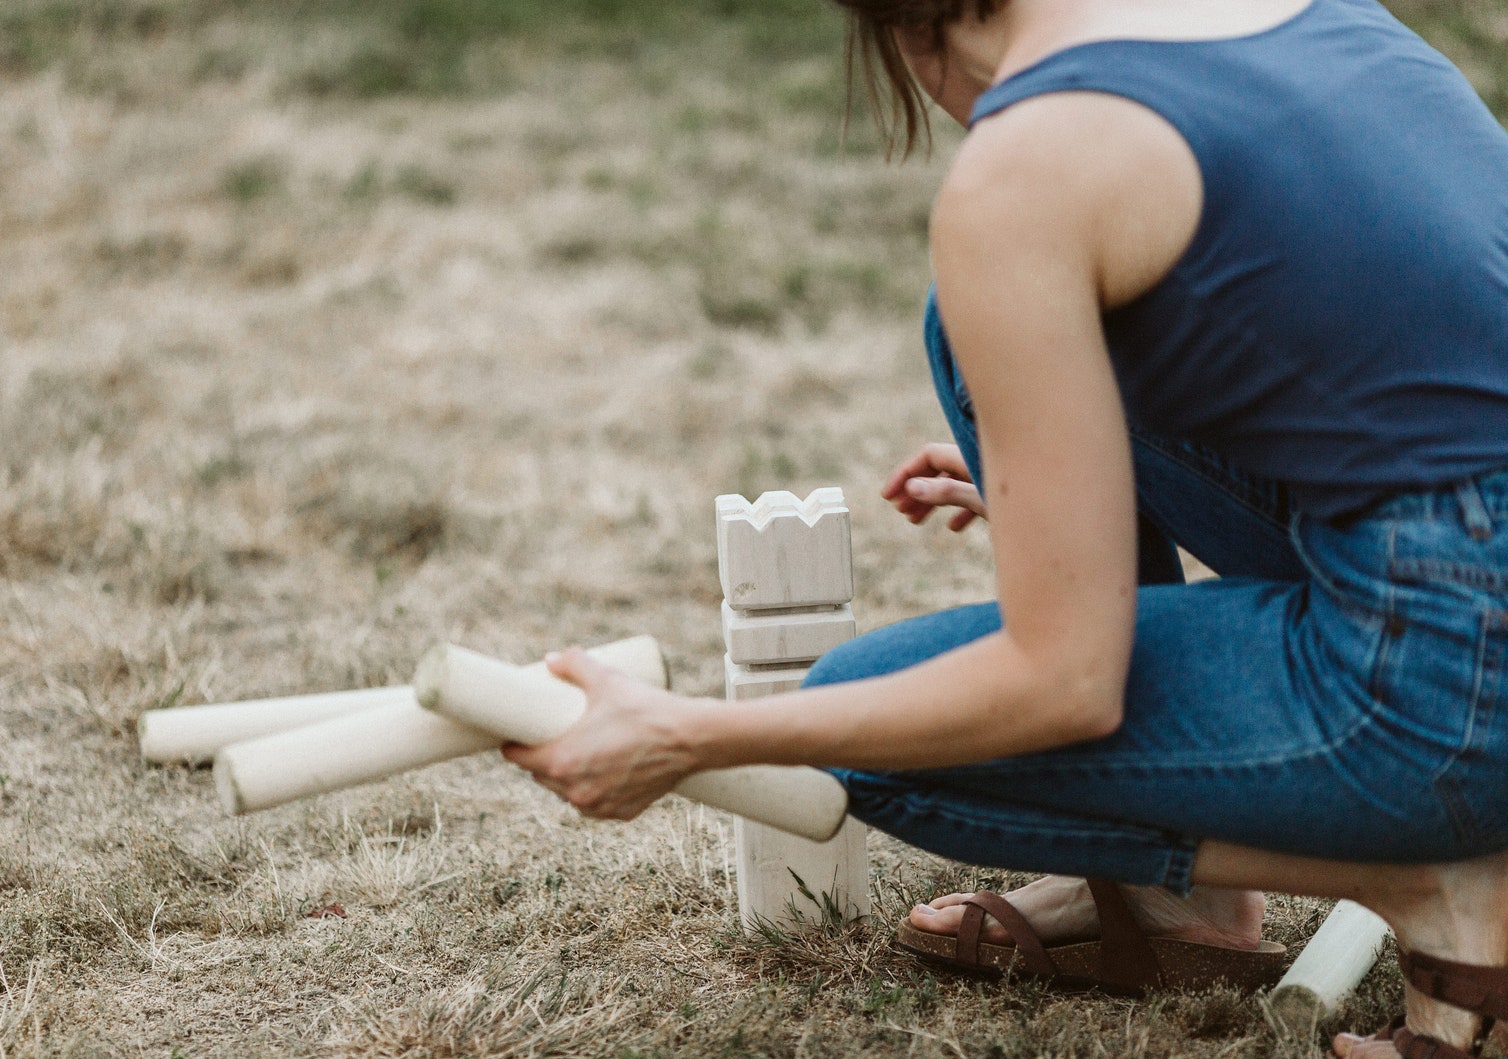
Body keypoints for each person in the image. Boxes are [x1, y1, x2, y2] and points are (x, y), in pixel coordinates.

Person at [503, 0, 1508, 1054]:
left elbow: (1063, 684)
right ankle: (1179, 908)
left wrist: (684, 733)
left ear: (903, 31)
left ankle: (1444, 875)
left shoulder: (1028, 165)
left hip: (1458, 666)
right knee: (970, 333)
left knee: (864, 727)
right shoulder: (1313, 14)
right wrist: (1057, 478)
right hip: (1460, 540)